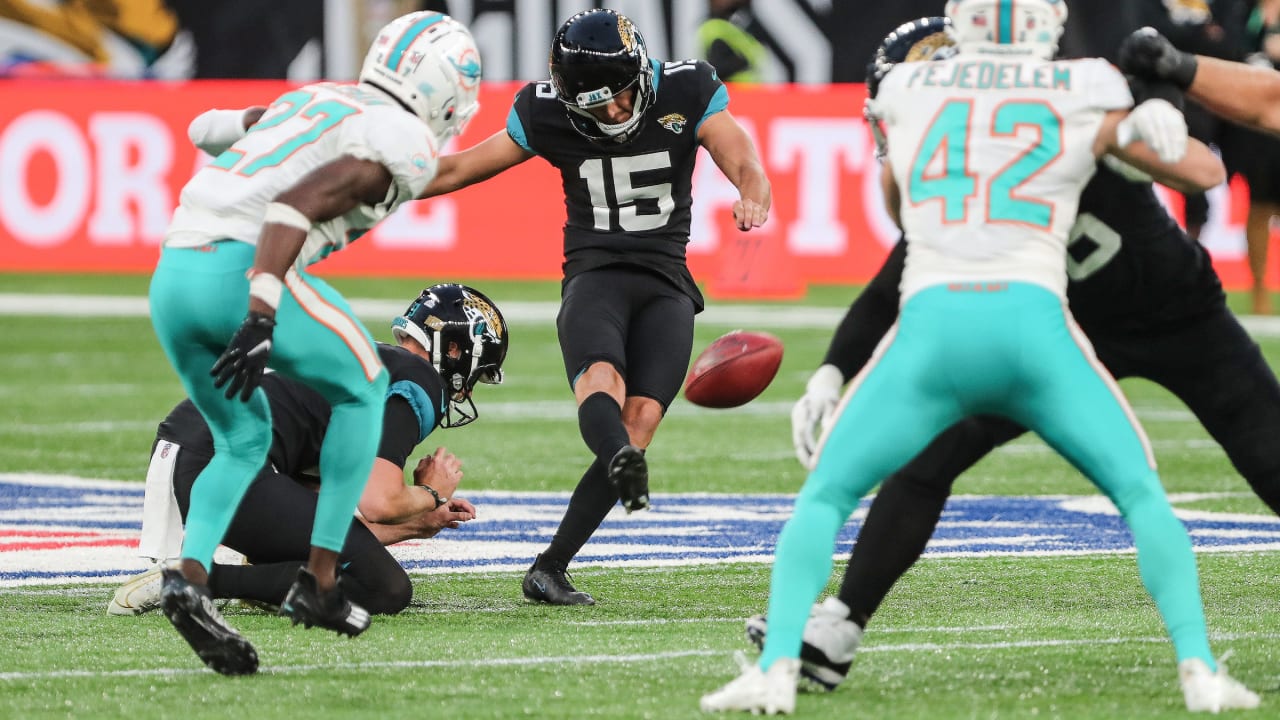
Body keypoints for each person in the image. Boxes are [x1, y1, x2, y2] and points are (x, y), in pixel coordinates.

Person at [701, 0, 1258, 713]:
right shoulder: (1084, 83)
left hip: (938, 327)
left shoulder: (906, 91)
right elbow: (1201, 173)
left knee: (825, 497)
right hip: (1035, 326)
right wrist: (1153, 124)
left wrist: (834, 372)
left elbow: (903, 213)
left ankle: (774, 672)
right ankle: (1201, 672)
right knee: (1142, 494)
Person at [146, 11, 482, 675]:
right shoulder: (403, 139)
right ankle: (320, 582)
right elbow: (293, 207)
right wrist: (264, 304)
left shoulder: (315, 99)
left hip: (173, 275)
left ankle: (188, 579)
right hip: (242, 271)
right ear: (445, 93)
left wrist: (259, 126)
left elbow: (203, 128)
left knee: (244, 442)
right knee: (364, 385)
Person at [416, 8, 771, 606]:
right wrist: (375, 179)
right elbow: (456, 171)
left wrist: (753, 190)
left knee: (643, 422)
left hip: (665, 280)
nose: (612, 113)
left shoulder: (686, 86)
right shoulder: (547, 111)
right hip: (594, 274)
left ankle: (549, 567)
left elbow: (741, 155)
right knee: (600, 383)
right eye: (596, 105)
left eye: (620, 97)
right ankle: (619, 464)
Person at [109, 284, 506, 618]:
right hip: (221, 459)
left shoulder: (372, 360)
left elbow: (324, 516)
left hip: (190, 447)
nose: (466, 390)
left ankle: (242, 573)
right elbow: (378, 503)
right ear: (454, 351)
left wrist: (419, 521)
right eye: (475, 374)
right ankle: (196, 579)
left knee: (352, 570)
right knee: (383, 587)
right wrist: (430, 492)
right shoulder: (417, 378)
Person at [698, 0, 770, 83]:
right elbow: (718, 68)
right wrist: (742, 62)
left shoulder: (741, 22)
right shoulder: (715, 27)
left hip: (751, 90)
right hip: (733, 91)